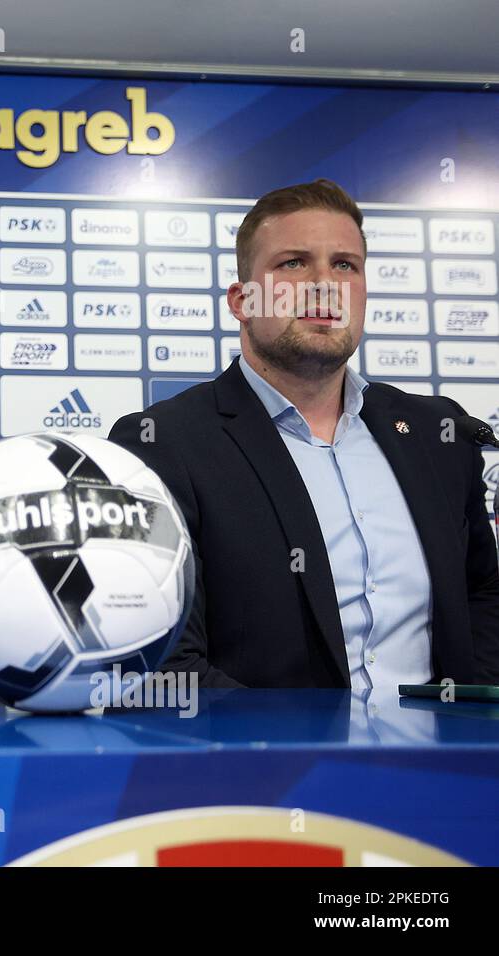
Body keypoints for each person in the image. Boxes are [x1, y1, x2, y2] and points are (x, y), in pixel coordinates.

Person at [109, 179, 499, 688]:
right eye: (292, 263)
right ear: (241, 300)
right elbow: (159, 665)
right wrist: (307, 760)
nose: (325, 285)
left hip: (441, 765)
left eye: (345, 265)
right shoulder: (161, 445)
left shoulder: (437, 432)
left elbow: (482, 594)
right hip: (266, 765)